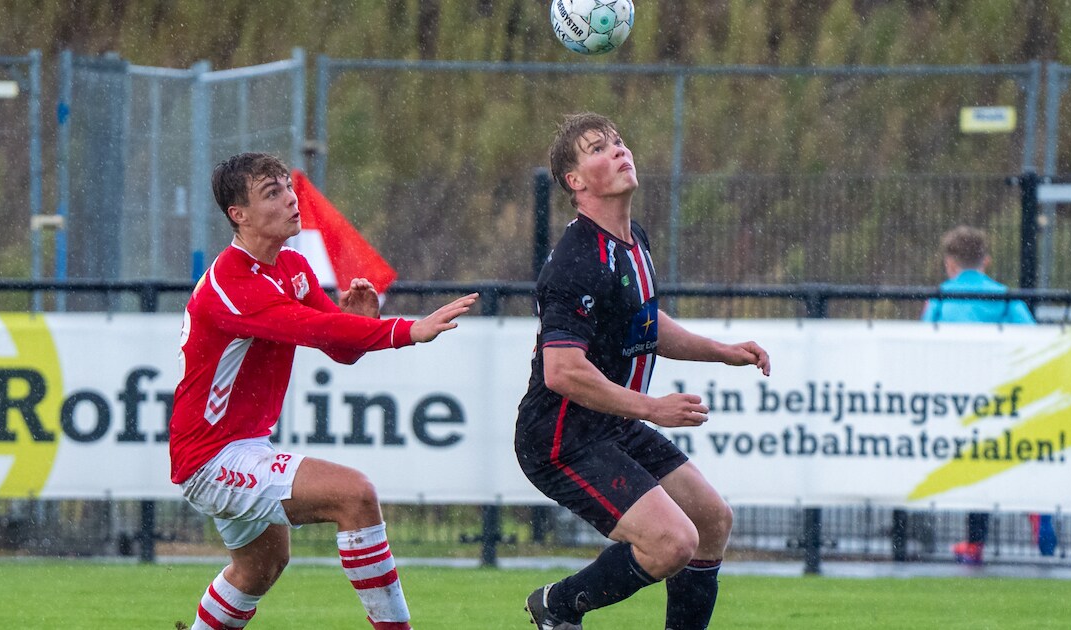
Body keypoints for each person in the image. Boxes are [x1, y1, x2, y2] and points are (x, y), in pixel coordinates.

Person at [169, 152, 478, 630]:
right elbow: (319, 332)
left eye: (286, 187)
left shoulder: (291, 266)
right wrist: (406, 330)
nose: (292, 199)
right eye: (272, 193)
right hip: (211, 459)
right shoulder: (232, 286)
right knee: (355, 495)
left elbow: (340, 348)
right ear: (239, 215)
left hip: (242, 447)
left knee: (259, 567)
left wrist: (358, 322)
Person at [515, 113, 771, 630]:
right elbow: (562, 372)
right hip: (561, 439)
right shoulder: (575, 260)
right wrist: (654, 408)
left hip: (613, 427)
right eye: (597, 149)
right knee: (672, 541)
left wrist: (720, 350)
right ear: (576, 181)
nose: (618, 151)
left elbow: (646, 323)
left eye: (619, 142)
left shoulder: (634, 242)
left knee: (711, 520)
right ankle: (558, 606)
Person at [920, 225, 1050, 564]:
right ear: (986, 262)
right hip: (1000, 394)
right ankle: (1033, 503)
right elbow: (1032, 339)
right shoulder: (1004, 297)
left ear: (949, 263)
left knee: (970, 463)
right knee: (1003, 453)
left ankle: (973, 541)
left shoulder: (942, 297)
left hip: (955, 397)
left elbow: (920, 345)